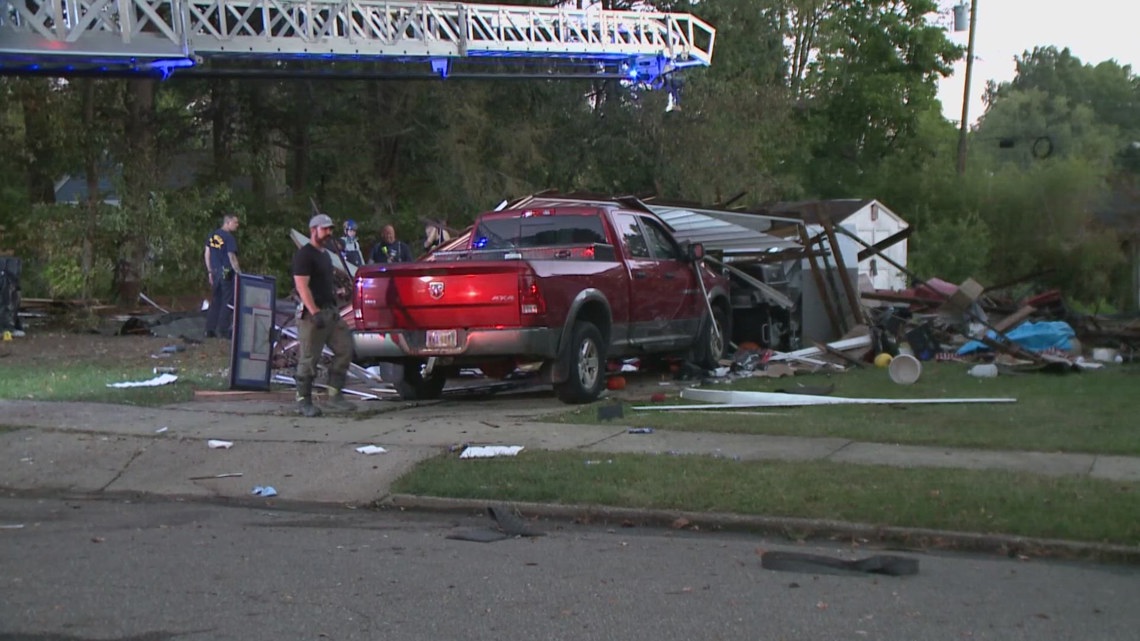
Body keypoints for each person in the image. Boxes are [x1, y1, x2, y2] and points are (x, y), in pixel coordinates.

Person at [291, 213, 356, 417]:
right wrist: (314, 311)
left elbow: (325, 284)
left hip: (331, 312)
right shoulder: (304, 255)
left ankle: (335, 396)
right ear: (313, 230)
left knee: (345, 348)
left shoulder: (325, 255)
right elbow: (302, 286)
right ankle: (303, 401)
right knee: (309, 357)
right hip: (313, 315)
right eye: (325, 229)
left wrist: (339, 294)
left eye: (330, 229)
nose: (329, 233)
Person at [203, 213, 241, 339]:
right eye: (235, 222)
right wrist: (239, 273)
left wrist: (209, 271)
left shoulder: (213, 235)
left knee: (216, 300)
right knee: (228, 300)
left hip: (216, 271)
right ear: (228, 222)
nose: (237, 225)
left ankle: (210, 329)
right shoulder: (229, 237)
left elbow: (207, 253)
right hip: (227, 271)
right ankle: (223, 330)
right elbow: (231, 256)